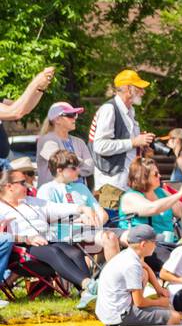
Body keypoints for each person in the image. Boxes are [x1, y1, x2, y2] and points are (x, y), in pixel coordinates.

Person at [0, 166, 99, 304]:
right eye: (22, 182)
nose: (27, 185)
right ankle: (89, 285)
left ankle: (87, 294)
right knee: (54, 251)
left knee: (75, 253)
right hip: (22, 248)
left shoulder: (31, 201)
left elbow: (57, 208)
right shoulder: (1, 208)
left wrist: (82, 208)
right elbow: (2, 236)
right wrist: (27, 239)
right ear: (9, 186)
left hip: (45, 241)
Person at [36, 148, 121, 263]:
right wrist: (80, 220)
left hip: (90, 232)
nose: (78, 170)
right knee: (110, 237)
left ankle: (115, 277)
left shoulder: (81, 188)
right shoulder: (46, 189)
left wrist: (95, 223)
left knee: (130, 237)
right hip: (63, 237)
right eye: (73, 168)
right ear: (60, 170)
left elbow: (103, 214)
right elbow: (46, 219)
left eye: (78, 166)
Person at [89, 69, 155, 212]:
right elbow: (99, 146)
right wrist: (134, 142)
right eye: (139, 88)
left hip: (126, 183)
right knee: (113, 228)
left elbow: (129, 146)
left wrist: (141, 148)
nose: (143, 92)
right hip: (112, 184)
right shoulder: (109, 109)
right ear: (127, 89)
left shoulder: (129, 111)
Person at [94, 225, 182, 326]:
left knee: (144, 272)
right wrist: (160, 302)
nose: (156, 246)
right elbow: (139, 302)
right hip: (119, 315)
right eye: (154, 243)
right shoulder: (132, 265)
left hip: (108, 311)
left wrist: (159, 289)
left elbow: (147, 268)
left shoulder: (128, 254)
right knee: (175, 317)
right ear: (144, 244)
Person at [118, 156, 182, 270]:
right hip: (146, 247)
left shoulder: (161, 192)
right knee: (181, 263)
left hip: (169, 244)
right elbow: (152, 208)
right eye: (155, 174)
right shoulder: (130, 197)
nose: (160, 176)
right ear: (143, 177)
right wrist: (179, 194)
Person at [35, 101, 93, 187]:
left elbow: (90, 167)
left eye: (75, 115)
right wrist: (78, 166)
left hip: (78, 195)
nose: (74, 118)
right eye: (70, 115)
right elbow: (61, 160)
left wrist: (71, 168)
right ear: (57, 119)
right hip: (54, 196)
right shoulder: (46, 140)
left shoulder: (79, 142)